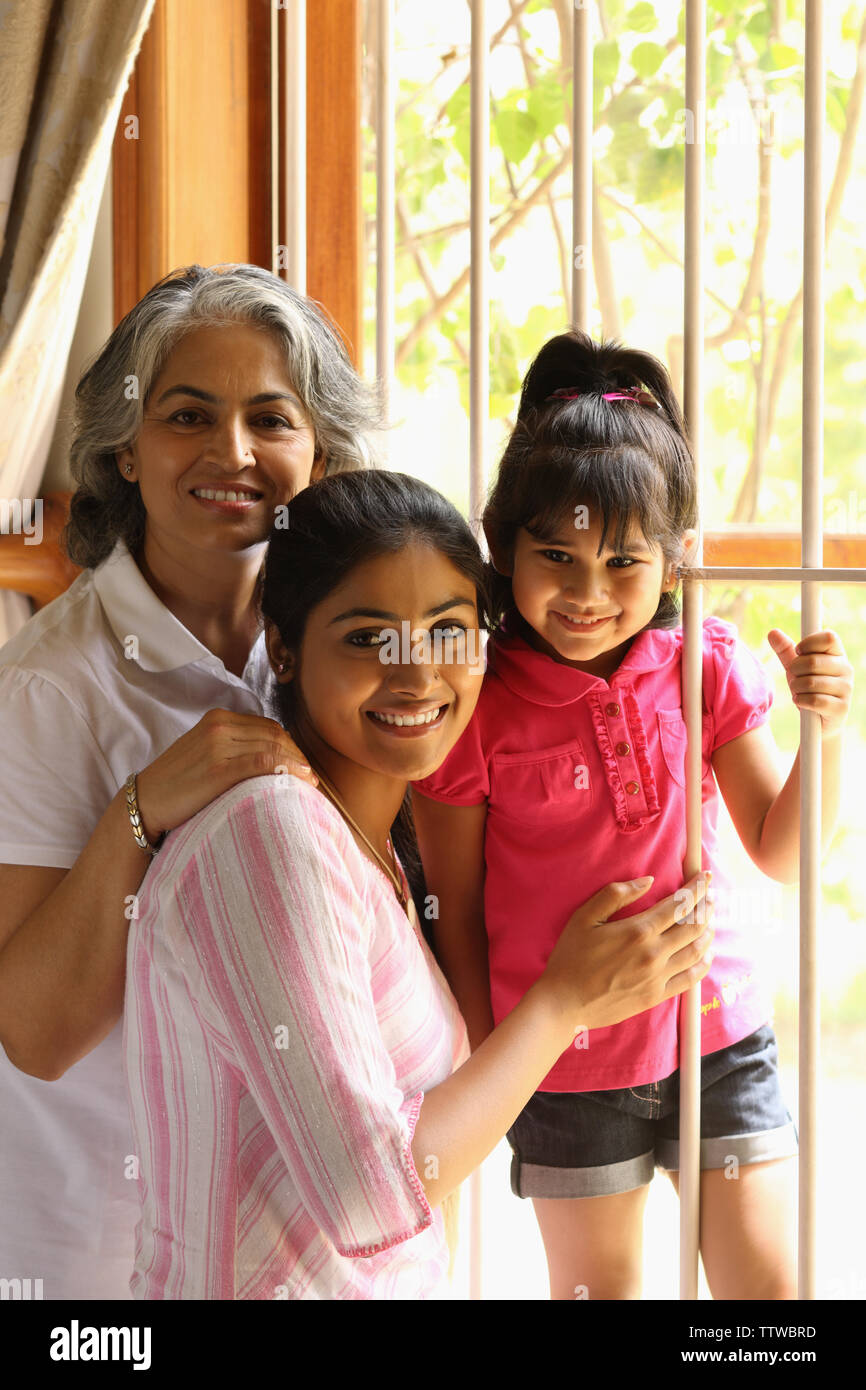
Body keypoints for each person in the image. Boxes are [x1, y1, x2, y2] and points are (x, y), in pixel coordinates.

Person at [123, 469, 714, 1300]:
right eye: (367, 638)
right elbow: (371, 1200)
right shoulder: (272, 834)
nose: (417, 674)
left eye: (447, 631)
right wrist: (563, 1003)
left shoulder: (367, 846)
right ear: (284, 648)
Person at [412, 329, 854, 1301]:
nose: (584, 593)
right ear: (501, 544)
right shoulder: (474, 705)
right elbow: (453, 903)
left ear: (673, 561)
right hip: (564, 1067)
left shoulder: (702, 663)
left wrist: (819, 726)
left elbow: (779, 851)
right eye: (554, 555)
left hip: (720, 1035)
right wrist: (493, 1078)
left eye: (622, 563)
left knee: (768, 1301)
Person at [0, 263, 377, 1299]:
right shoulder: (47, 688)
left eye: (271, 419)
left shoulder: (347, 653)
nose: (233, 454)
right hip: (91, 1241)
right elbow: (34, 1033)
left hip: (287, 1225)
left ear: (322, 450)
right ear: (126, 448)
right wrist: (142, 808)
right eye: (187, 416)